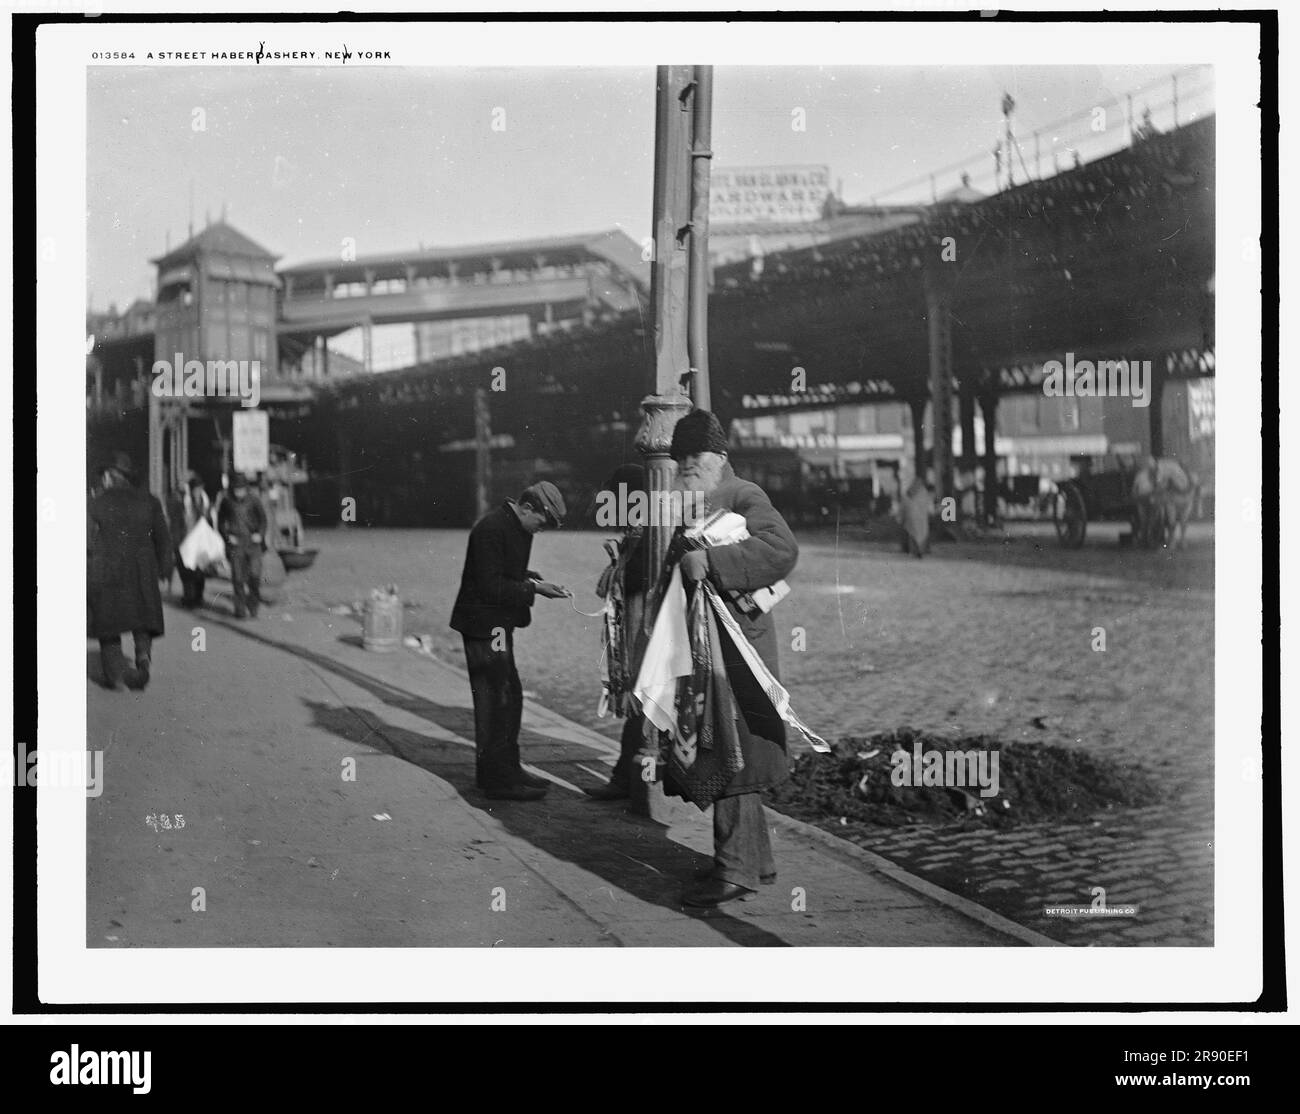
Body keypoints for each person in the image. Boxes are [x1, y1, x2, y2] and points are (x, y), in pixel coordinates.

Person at [669, 409, 800, 909]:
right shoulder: (693, 500)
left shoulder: (745, 494)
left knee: (734, 755)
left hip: (740, 650)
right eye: (680, 457)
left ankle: (736, 869)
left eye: (695, 456)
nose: (687, 465)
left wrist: (713, 561)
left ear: (720, 457)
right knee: (728, 749)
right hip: (712, 648)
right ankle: (753, 863)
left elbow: (781, 549)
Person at [449, 481, 570, 802]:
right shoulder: (491, 528)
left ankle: (509, 769)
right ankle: (496, 781)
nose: (539, 531)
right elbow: (490, 586)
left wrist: (529, 576)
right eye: (540, 524)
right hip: (482, 626)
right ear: (527, 508)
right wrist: (534, 590)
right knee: (494, 702)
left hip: (496, 625)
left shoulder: (514, 527)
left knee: (510, 696)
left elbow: (503, 570)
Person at [586, 464, 648, 801]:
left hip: (642, 641)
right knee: (639, 711)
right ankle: (624, 778)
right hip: (636, 638)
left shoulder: (644, 536)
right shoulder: (641, 533)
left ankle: (625, 780)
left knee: (640, 710)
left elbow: (624, 584)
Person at [87, 452, 173, 691]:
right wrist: (166, 569)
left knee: (107, 624)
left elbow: (86, 542)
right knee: (142, 617)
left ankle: (116, 674)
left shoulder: (96, 503)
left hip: (107, 574)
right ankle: (143, 659)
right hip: (142, 572)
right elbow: (164, 540)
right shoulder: (150, 501)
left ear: (108, 476)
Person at [217, 472, 267, 619]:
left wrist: (260, 534)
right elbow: (220, 522)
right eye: (236, 489)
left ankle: (253, 605)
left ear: (246, 488)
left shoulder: (254, 501)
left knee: (254, 576)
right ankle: (240, 610)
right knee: (238, 579)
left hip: (253, 543)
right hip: (236, 544)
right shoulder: (227, 501)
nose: (239, 492)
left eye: (242, 489)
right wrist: (227, 537)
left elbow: (263, 520)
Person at [167, 471, 212, 608]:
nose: (198, 491)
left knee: (200, 572)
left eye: (200, 488)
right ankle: (189, 598)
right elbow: (174, 519)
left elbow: (210, 521)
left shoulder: (205, 501)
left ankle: (198, 597)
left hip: (200, 542)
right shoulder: (180, 500)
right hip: (184, 541)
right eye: (196, 489)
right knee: (186, 572)